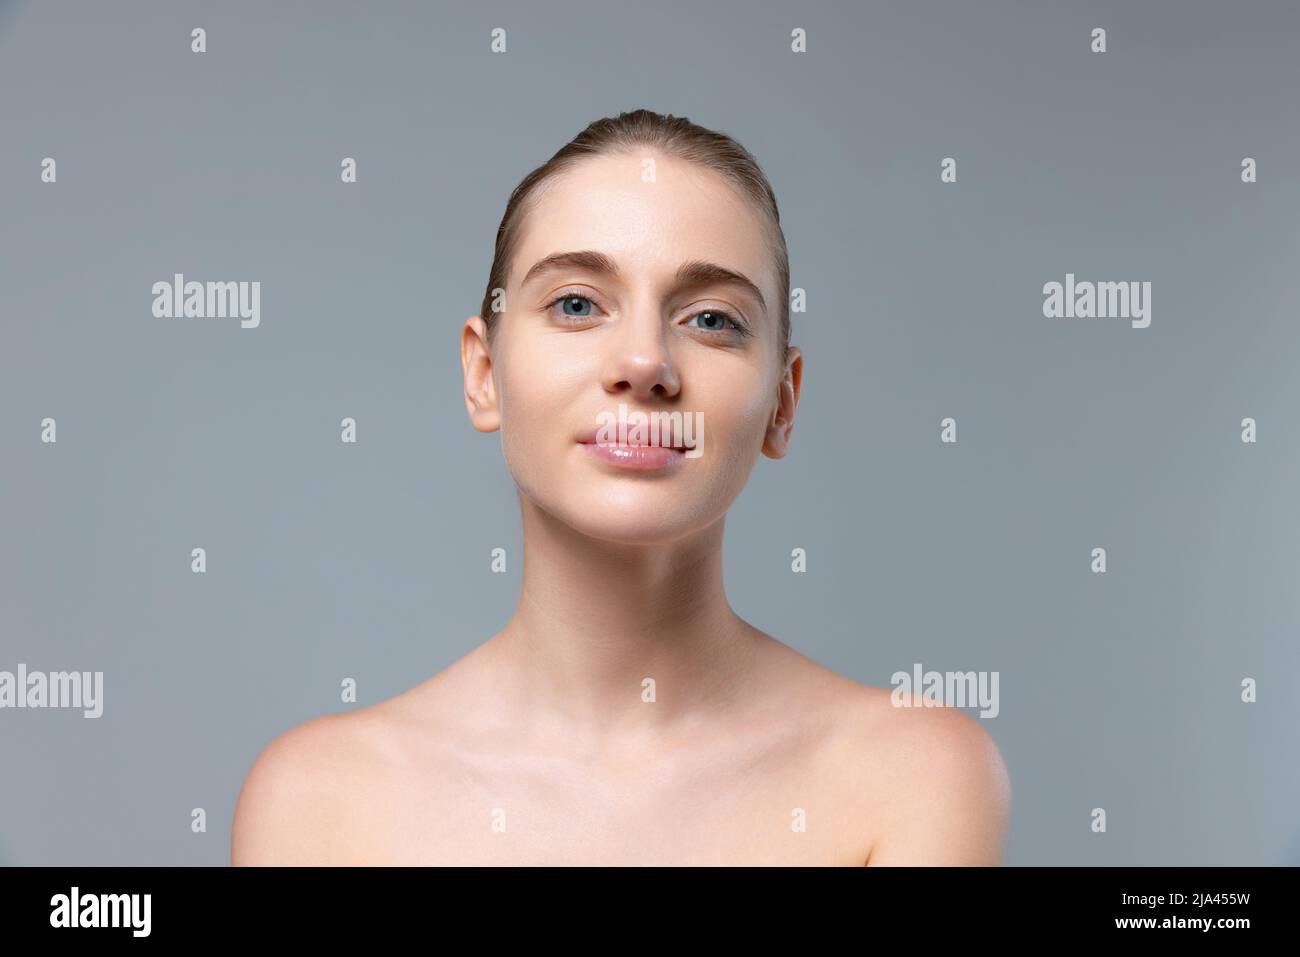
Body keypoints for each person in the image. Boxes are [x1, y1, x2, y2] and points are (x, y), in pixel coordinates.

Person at [231, 109, 1011, 866]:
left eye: (711, 319)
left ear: (783, 401)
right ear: (484, 373)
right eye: (576, 304)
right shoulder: (318, 800)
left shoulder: (914, 776)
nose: (644, 362)